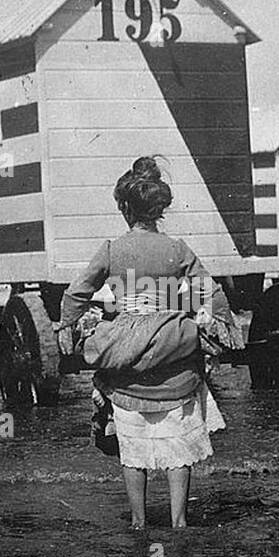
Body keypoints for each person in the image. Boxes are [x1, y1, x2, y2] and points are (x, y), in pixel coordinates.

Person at [59, 156, 240, 529]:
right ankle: (179, 521)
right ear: (159, 209)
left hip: (126, 355)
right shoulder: (177, 248)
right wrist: (223, 324)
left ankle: (139, 522)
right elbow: (210, 290)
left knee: (134, 446)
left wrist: (67, 326)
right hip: (174, 349)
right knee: (178, 447)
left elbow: (77, 293)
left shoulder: (112, 249)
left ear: (125, 207)